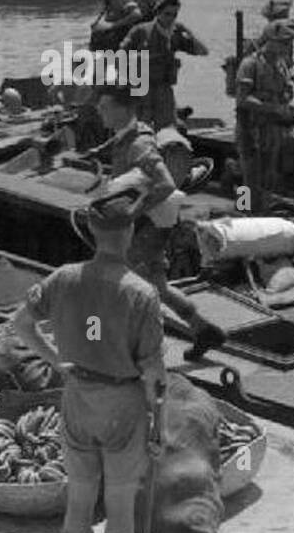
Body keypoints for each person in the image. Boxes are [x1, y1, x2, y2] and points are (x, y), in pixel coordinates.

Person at [10, 189, 166, 533]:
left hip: (77, 395)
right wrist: (159, 427)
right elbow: (153, 374)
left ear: (93, 232)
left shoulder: (63, 278)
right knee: (120, 501)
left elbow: (20, 324)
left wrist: (56, 360)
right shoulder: (142, 294)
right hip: (123, 405)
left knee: (79, 496)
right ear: (129, 232)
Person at [85, 83, 228, 361]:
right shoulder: (129, 135)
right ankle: (204, 330)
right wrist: (100, 151)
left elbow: (164, 183)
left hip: (143, 229)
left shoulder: (138, 144)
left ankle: (122, 352)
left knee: (116, 284)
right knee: (158, 287)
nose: (99, 112)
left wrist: (132, 213)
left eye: (104, 107)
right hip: (154, 226)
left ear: (122, 109)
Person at [234, 19, 294, 214]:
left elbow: (287, 93)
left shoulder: (281, 66)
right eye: (284, 42)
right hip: (250, 129)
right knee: (249, 176)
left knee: (268, 176)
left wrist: (289, 107)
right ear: (271, 40)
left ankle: (261, 213)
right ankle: (243, 213)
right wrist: (273, 108)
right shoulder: (250, 64)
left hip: (272, 131)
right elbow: (242, 99)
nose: (288, 46)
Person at [117, 0, 208, 130]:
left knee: (167, 130)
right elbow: (121, 55)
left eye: (174, 15)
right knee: (141, 129)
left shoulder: (175, 34)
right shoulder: (141, 31)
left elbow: (203, 51)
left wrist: (189, 32)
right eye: (167, 14)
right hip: (141, 87)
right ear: (158, 13)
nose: (171, 18)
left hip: (163, 88)